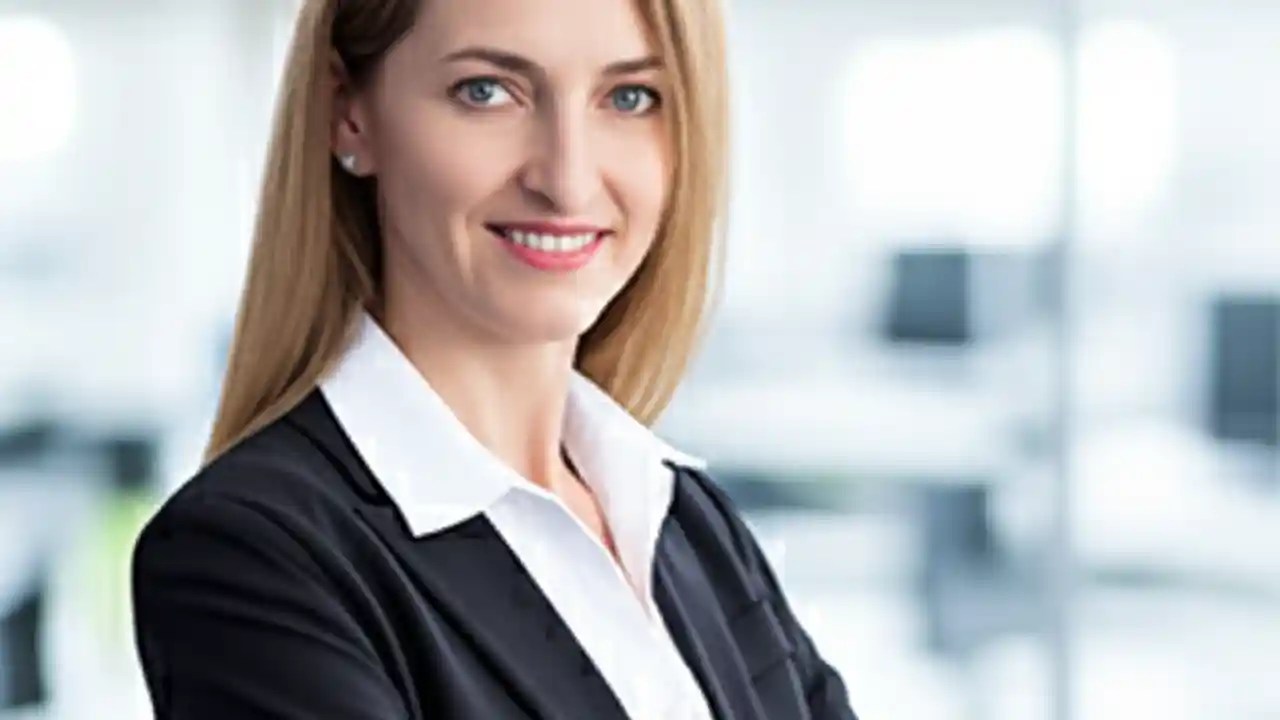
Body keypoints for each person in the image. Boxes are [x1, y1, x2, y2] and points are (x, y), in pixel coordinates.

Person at [129, 0, 858, 717]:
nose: (567, 179)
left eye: (630, 97)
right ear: (348, 111)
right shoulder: (253, 555)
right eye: (487, 92)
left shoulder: (688, 521)